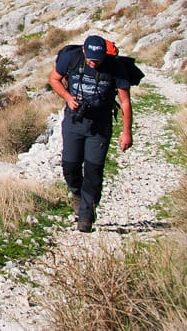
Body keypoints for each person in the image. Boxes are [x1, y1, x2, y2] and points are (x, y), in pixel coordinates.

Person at [48, 34, 133, 232]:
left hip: (100, 125)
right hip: (74, 121)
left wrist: (126, 132)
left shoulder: (115, 67)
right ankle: (78, 195)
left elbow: (125, 102)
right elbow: (54, 79)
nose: (94, 63)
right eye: (91, 59)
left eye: (99, 59)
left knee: (94, 170)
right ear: (84, 51)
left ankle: (86, 214)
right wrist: (68, 97)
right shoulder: (72, 58)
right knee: (70, 166)